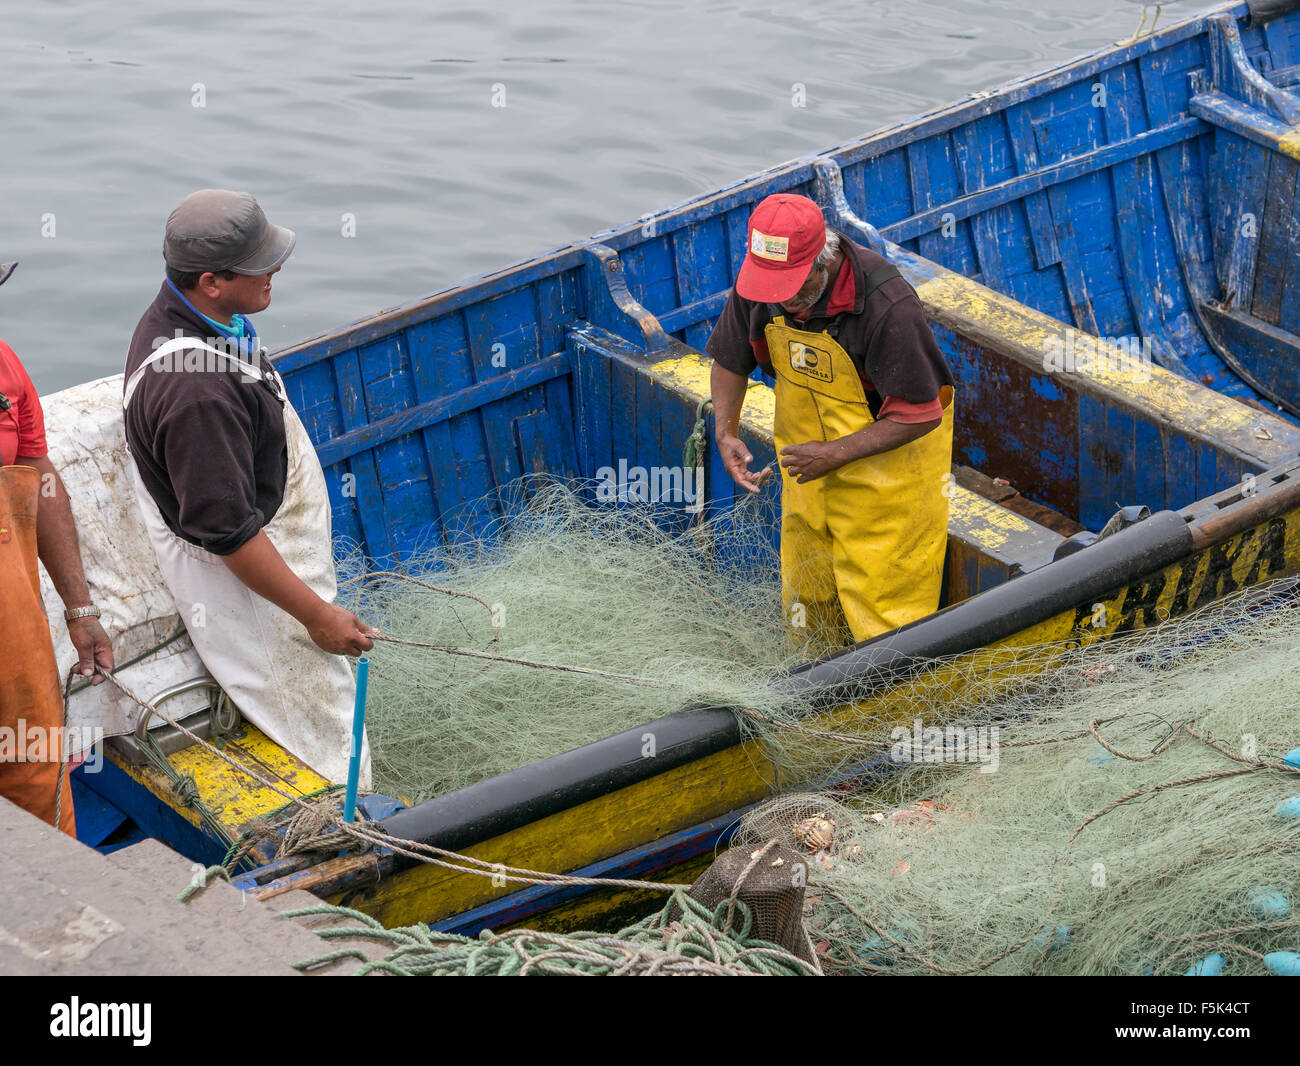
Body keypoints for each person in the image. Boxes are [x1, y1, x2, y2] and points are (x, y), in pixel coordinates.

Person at [122, 191, 373, 786]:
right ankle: (349, 820)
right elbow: (230, 536)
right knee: (315, 709)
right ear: (211, 280)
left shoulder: (200, 316)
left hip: (258, 514)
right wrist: (315, 617)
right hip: (248, 573)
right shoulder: (195, 394)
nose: (275, 271)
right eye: (261, 265)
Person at [707, 194, 955, 650]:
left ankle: (891, 706)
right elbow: (729, 360)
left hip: (890, 478)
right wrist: (725, 431)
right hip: (808, 468)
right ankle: (812, 687)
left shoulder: (887, 305)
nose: (783, 301)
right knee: (808, 589)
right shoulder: (759, 287)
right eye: (771, 288)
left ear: (824, 259)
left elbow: (920, 414)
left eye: (794, 288)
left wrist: (835, 453)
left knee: (886, 606)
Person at [0, 260, 115, 834]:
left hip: (12, 637)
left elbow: (38, 479)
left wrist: (81, 609)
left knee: (35, 779)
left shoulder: (5, 365)